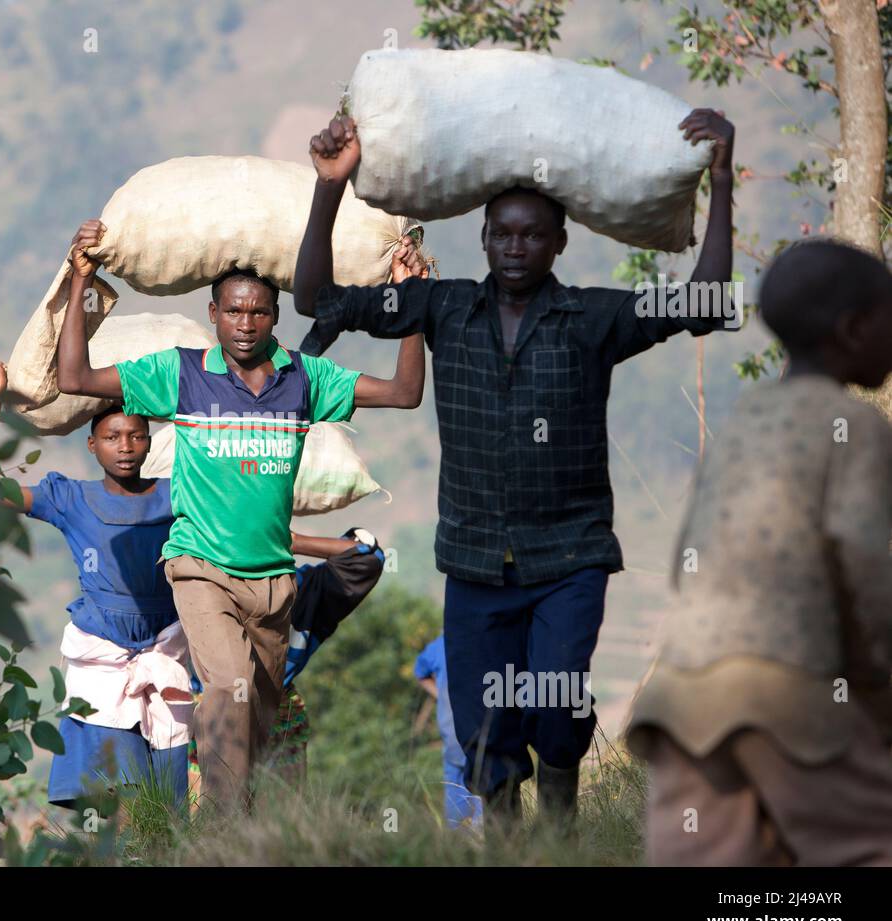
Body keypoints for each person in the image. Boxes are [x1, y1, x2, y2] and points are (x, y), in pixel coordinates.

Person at [293, 108, 737, 823]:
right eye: (503, 232)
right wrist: (329, 188)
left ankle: (560, 809)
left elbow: (708, 304)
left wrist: (719, 177)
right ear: (484, 238)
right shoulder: (442, 308)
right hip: (474, 563)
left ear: (559, 242)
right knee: (485, 733)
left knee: (557, 712)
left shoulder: (594, 319)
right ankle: (510, 844)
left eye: (533, 234)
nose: (516, 246)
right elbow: (317, 299)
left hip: (570, 557)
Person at [56, 218, 429, 809]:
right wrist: (81, 281)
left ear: (275, 317)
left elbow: (405, 392)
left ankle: (245, 832)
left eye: (258, 312)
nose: (245, 324)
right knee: (228, 692)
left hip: (274, 582)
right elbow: (73, 377)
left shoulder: (305, 379)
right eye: (233, 311)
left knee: (259, 720)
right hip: (202, 569)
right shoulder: (180, 373)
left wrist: (414, 304)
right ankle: (221, 836)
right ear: (213, 313)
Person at [627, 239, 892, 865]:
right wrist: (878, 692)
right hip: (789, 692)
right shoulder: (854, 428)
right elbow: (868, 569)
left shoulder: (746, 418)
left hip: (686, 696)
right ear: (854, 329)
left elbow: (687, 556)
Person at [0, 363, 193, 810]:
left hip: (165, 655)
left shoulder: (179, 495)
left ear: (150, 442)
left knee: (169, 802)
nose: (125, 447)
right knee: (120, 795)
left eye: (135, 436)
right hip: (102, 663)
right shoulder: (69, 498)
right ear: (92, 445)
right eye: (112, 438)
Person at [184, 526, 389, 801]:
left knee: (275, 830)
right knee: (216, 828)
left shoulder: (298, 593)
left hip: (275, 724)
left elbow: (366, 558)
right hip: (210, 725)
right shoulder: (194, 589)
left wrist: (288, 539)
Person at [415, 635, 482, 829]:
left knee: (455, 784)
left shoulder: (438, 645)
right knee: (483, 778)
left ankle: (456, 840)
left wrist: (441, 695)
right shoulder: (480, 639)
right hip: (476, 729)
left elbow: (420, 672)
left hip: (450, 730)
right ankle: (484, 834)